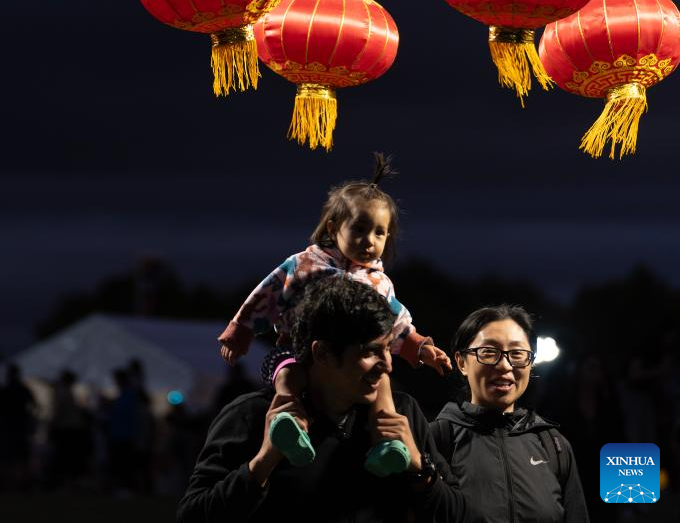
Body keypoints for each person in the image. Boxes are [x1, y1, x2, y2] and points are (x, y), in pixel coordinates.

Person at [218, 154, 451, 476]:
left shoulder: (379, 282)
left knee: (382, 382)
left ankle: (388, 445)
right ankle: (289, 422)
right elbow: (267, 294)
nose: (369, 240)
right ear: (333, 226)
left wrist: (418, 346)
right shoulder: (304, 264)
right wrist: (241, 330)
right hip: (294, 349)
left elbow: (397, 323)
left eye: (379, 233)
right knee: (289, 376)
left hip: (357, 363)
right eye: (359, 228)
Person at [179, 276, 470, 523]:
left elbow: (460, 515)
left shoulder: (402, 413)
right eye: (370, 352)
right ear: (322, 354)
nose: (388, 364)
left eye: (387, 349)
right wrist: (262, 463)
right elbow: (192, 516)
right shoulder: (252, 415)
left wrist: (420, 467)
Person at [430, 304, 590, 523]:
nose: (505, 365)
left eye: (517, 354)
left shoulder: (554, 445)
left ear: (530, 362)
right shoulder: (436, 439)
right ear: (461, 362)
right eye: (489, 352)